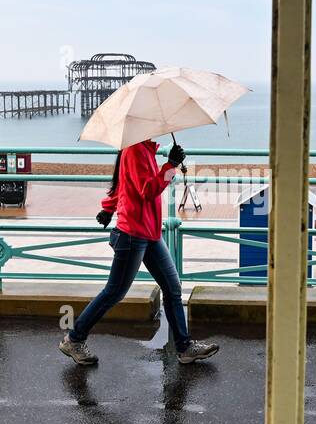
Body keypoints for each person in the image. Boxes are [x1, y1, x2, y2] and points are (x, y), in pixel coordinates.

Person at [59, 138, 219, 366]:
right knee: (114, 292)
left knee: (172, 287)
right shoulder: (135, 150)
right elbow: (147, 190)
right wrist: (170, 166)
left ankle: (184, 347)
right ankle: (74, 339)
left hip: (150, 234)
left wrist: (108, 207)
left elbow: (125, 185)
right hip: (133, 234)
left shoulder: (143, 148)